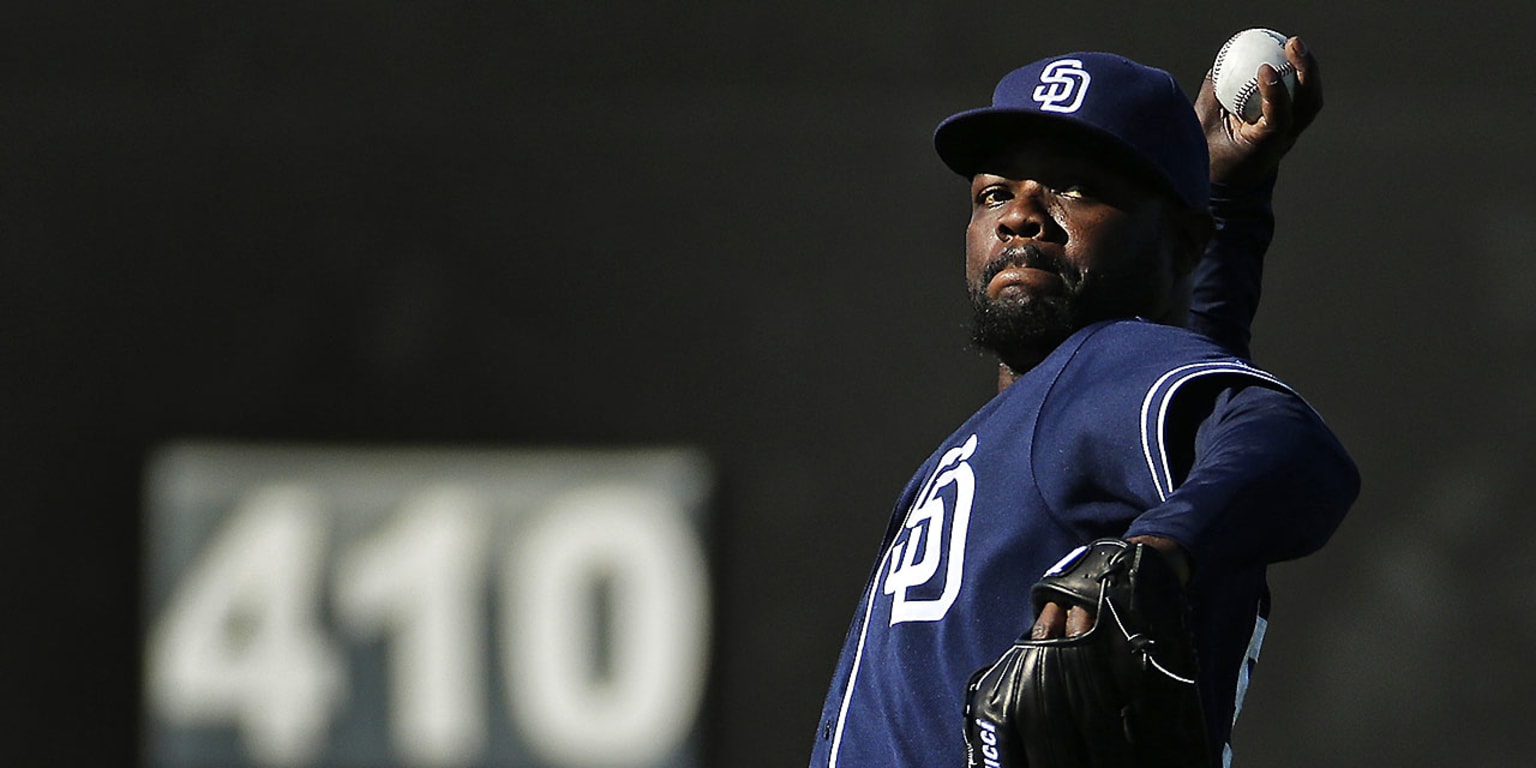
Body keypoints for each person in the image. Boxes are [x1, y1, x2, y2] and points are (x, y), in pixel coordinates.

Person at [808, 39, 1359, 768]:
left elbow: (1290, 444)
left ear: (1184, 239)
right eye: (995, 192)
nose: (1020, 216)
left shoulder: (1097, 368)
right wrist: (1223, 206)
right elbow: (1175, 389)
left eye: (1072, 187)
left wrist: (1159, 552)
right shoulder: (1066, 407)